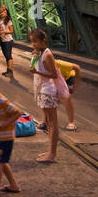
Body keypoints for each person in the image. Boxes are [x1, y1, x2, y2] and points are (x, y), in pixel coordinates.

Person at [29, 28, 68, 163]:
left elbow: (54, 75)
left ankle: (52, 154)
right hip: (44, 91)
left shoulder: (47, 54)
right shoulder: (41, 53)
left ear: (42, 41)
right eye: (32, 42)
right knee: (50, 124)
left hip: (49, 91)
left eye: (35, 41)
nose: (33, 44)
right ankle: (50, 152)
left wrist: (37, 72)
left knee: (53, 124)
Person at [54, 55, 81, 130]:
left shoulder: (58, 63)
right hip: (57, 80)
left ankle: (71, 122)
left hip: (68, 78)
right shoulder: (40, 64)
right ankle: (46, 120)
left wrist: (76, 84)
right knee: (50, 100)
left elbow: (77, 67)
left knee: (67, 99)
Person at [0, 6, 15, 76]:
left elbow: (11, 31)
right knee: (6, 56)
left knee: (8, 56)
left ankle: (10, 71)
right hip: (2, 40)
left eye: (4, 12)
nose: (2, 13)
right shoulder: (0, 21)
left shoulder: (9, 21)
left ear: (7, 14)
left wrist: (4, 31)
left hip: (8, 41)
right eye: (2, 12)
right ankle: (8, 70)